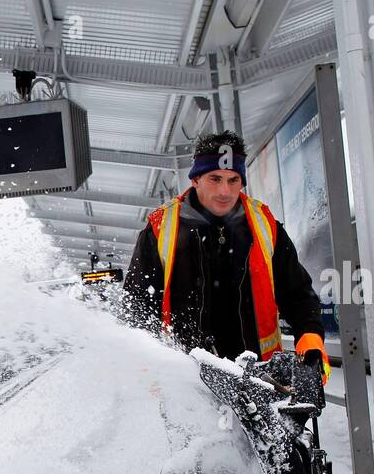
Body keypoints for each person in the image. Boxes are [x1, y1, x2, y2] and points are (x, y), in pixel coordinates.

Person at [121, 130, 330, 381]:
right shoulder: (161, 228)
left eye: (233, 180)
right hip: (185, 380)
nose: (225, 191)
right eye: (215, 178)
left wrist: (310, 335)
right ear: (196, 179)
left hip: (259, 379)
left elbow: (298, 294)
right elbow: (138, 305)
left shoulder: (265, 225)